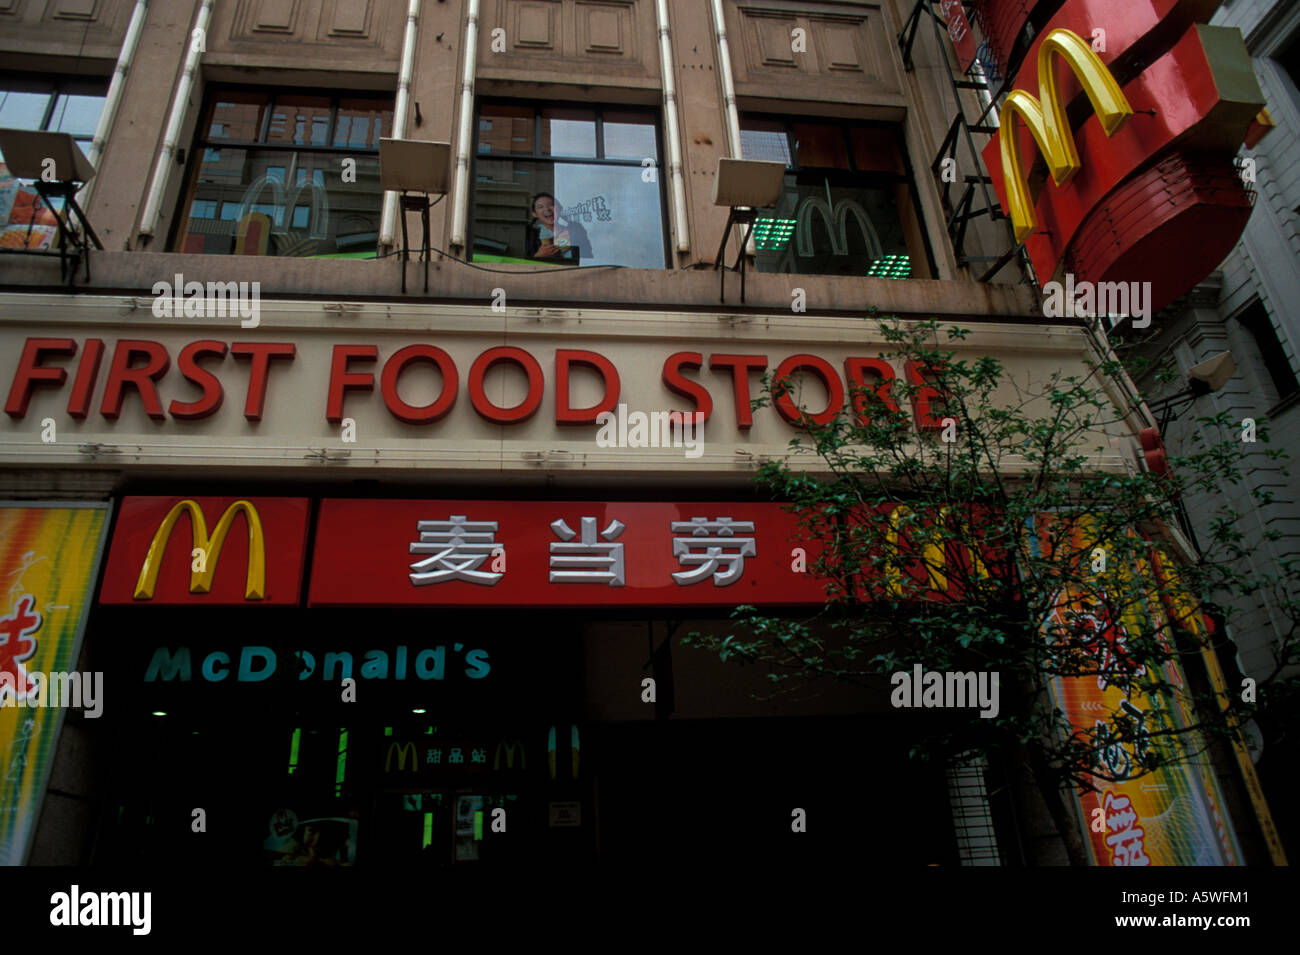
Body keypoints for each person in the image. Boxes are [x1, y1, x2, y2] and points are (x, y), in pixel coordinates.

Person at [525, 192, 592, 263]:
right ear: (535, 214)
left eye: (551, 205)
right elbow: (523, 265)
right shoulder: (531, 234)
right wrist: (539, 256)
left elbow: (588, 256)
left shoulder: (576, 229)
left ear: (560, 208)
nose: (547, 209)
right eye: (540, 207)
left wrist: (574, 240)